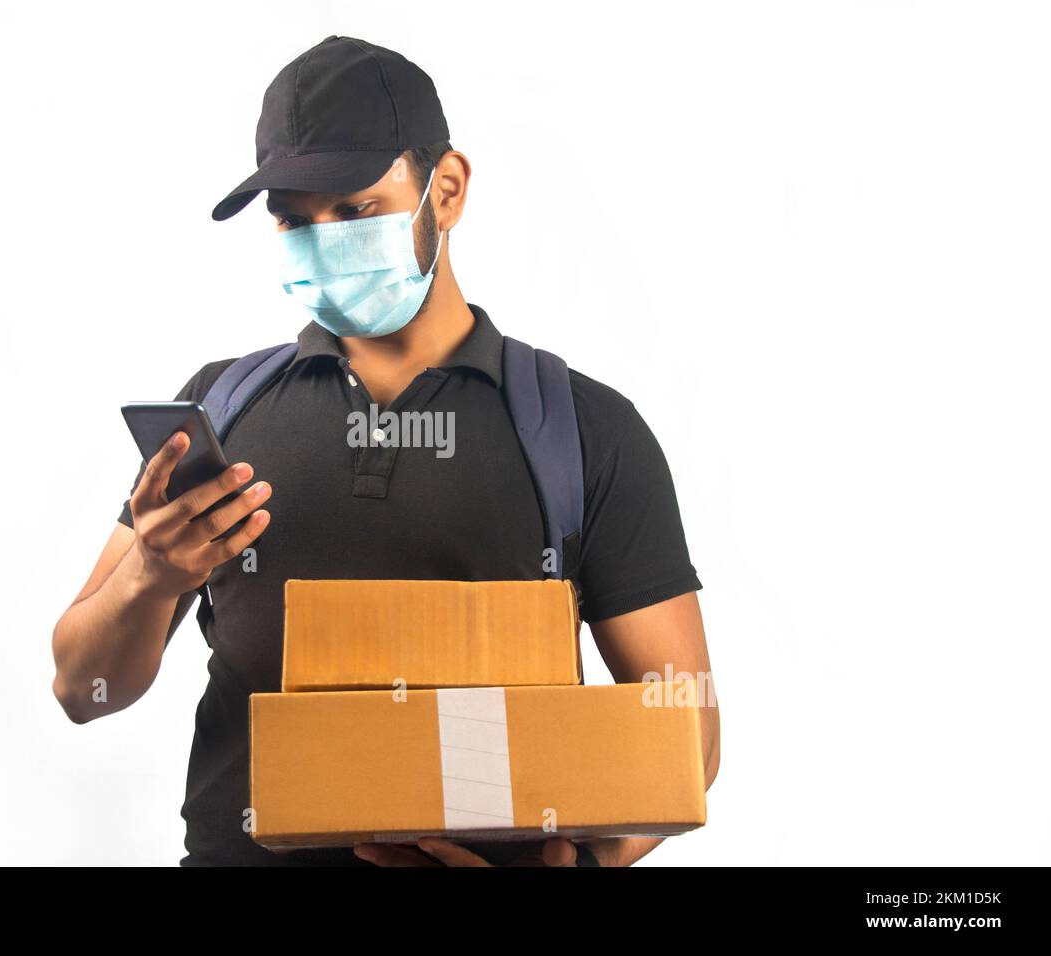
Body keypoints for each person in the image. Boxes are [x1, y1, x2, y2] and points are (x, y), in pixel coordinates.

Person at [51, 35, 720, 867]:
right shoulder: (224, 411)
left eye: (356, 209)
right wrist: (151, 578)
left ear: (446, 190)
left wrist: (582, 865)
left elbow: (683, 732)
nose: (323, 240)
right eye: (295, 220)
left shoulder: (583, 429)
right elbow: (83, 689)